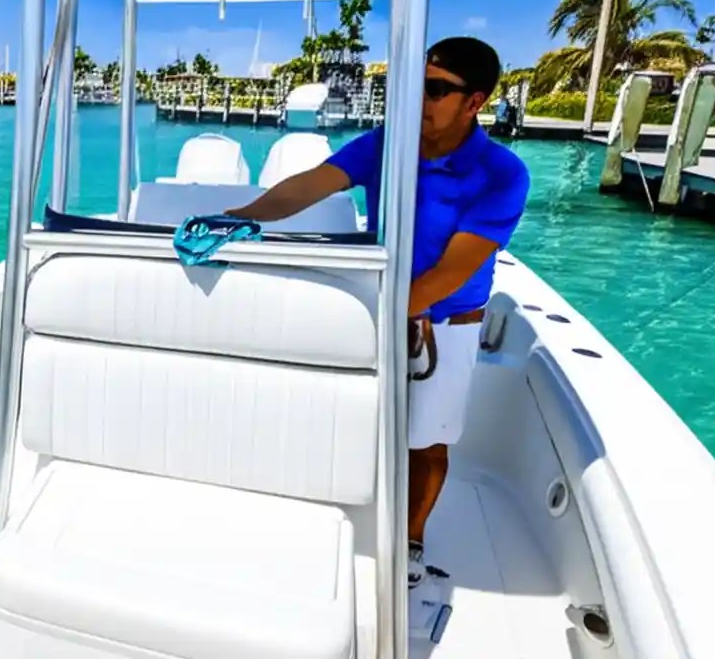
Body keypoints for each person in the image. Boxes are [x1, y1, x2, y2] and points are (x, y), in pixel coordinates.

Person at [225, 36, 530, 588]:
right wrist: (239, 217)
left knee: (425, 440)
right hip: (380, 307)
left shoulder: (501, 174)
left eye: (436, 90)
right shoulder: (387, 144)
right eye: (412, 86)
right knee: (354, 417)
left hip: (443, 326)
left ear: (475, 101)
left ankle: (411, 541)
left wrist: (380, 319)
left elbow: (449, 274)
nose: (419, 100)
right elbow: (310, 186)